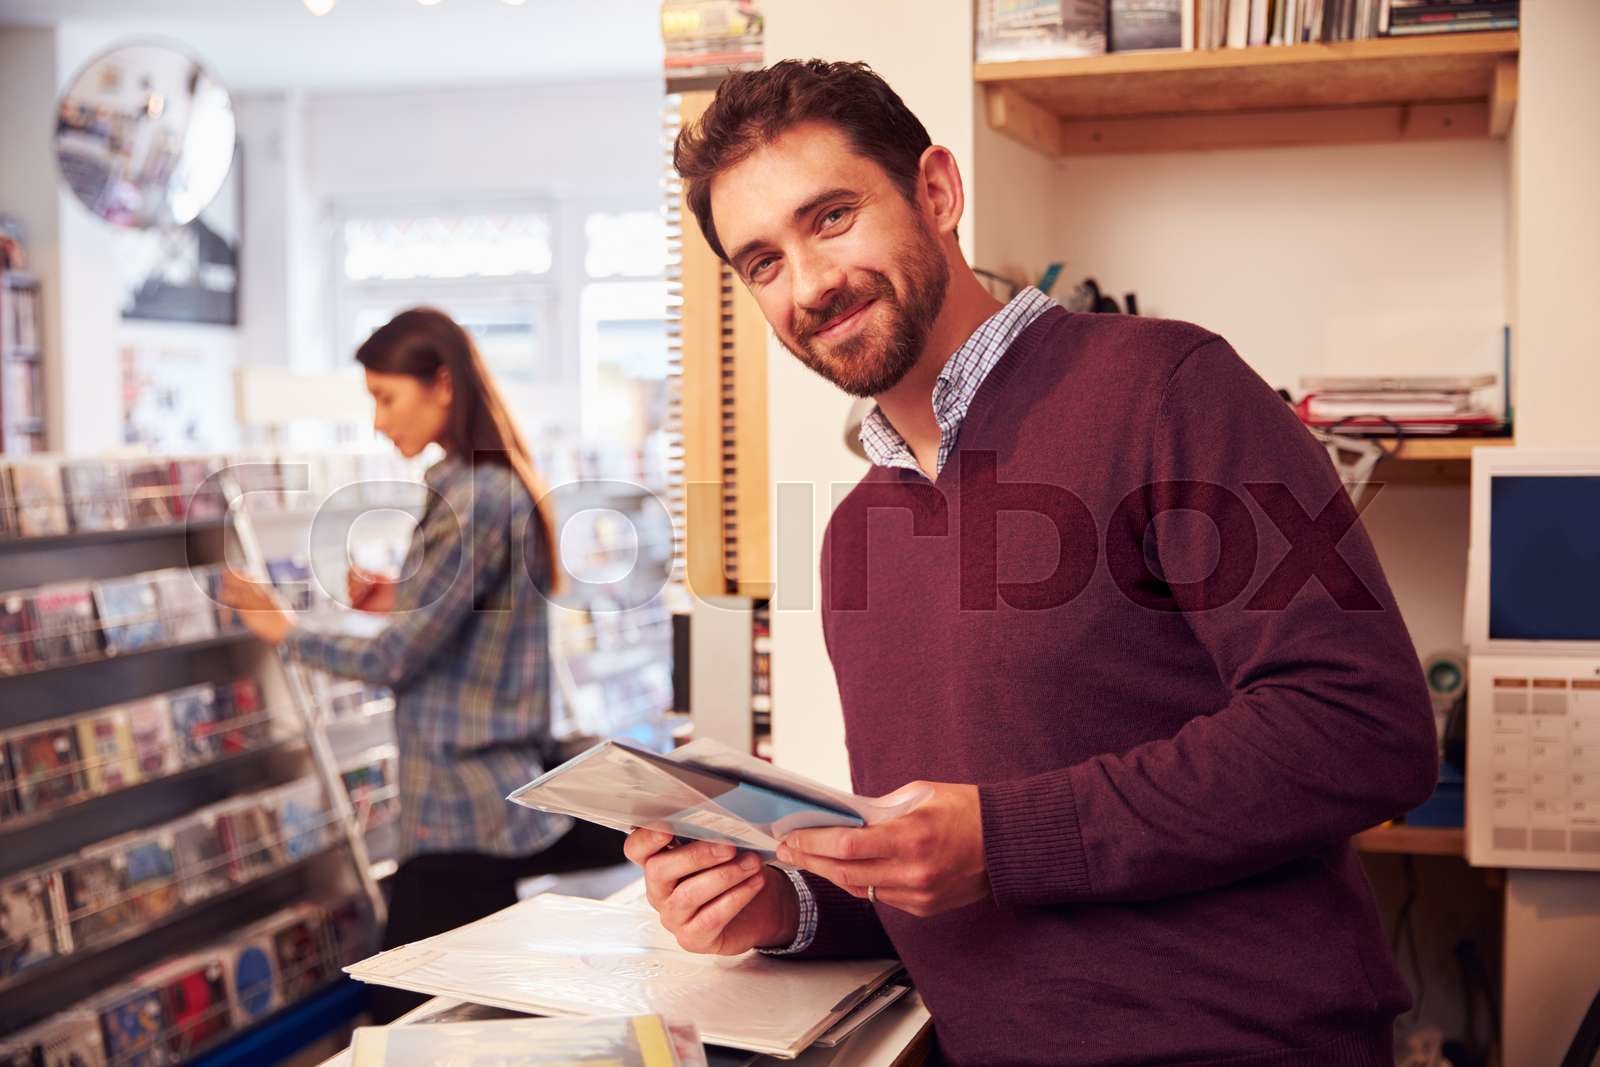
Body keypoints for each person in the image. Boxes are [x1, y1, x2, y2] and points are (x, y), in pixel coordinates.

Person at [623, 60, 1439, 1066]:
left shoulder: (1169, 387)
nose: (809, 284)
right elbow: (950, 872)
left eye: (831, 216)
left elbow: (1363, 727)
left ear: (936, 191)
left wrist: (997, 837)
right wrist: (782, 902)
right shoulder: (857, 538)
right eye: (761, 262)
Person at [222, 308, 623, 1023]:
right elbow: (468, 624)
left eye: (386, 397)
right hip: (484, 797)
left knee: (402, 1019)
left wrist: (283, 630)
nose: (378, 422)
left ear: (441, 384)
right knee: (475, 1009)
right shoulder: (494, 484)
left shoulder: (472, 497)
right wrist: (397, 598)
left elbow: (398, 659)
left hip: (460, 809)